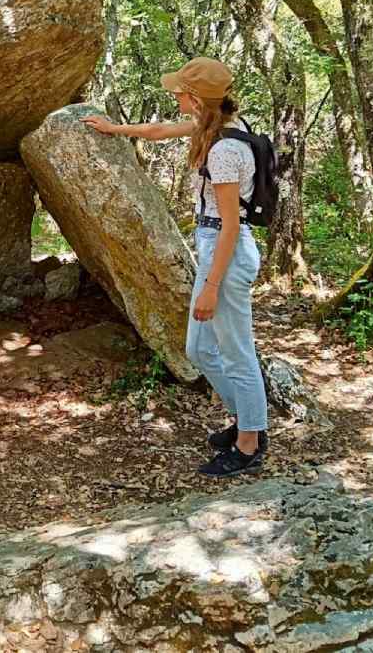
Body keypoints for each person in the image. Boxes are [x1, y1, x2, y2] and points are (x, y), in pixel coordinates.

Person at [82, 57, 268, 478]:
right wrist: (115, 130)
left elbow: (231, 225)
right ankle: (249, 421)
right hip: (215, 246)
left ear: (196, 98)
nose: (176, 99)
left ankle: (249, 443)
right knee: (199, 349)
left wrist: (211, 286)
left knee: (238, 354)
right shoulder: (218, 125)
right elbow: (160, 131)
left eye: (180, 93)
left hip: (226, 252)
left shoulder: (224, 150)